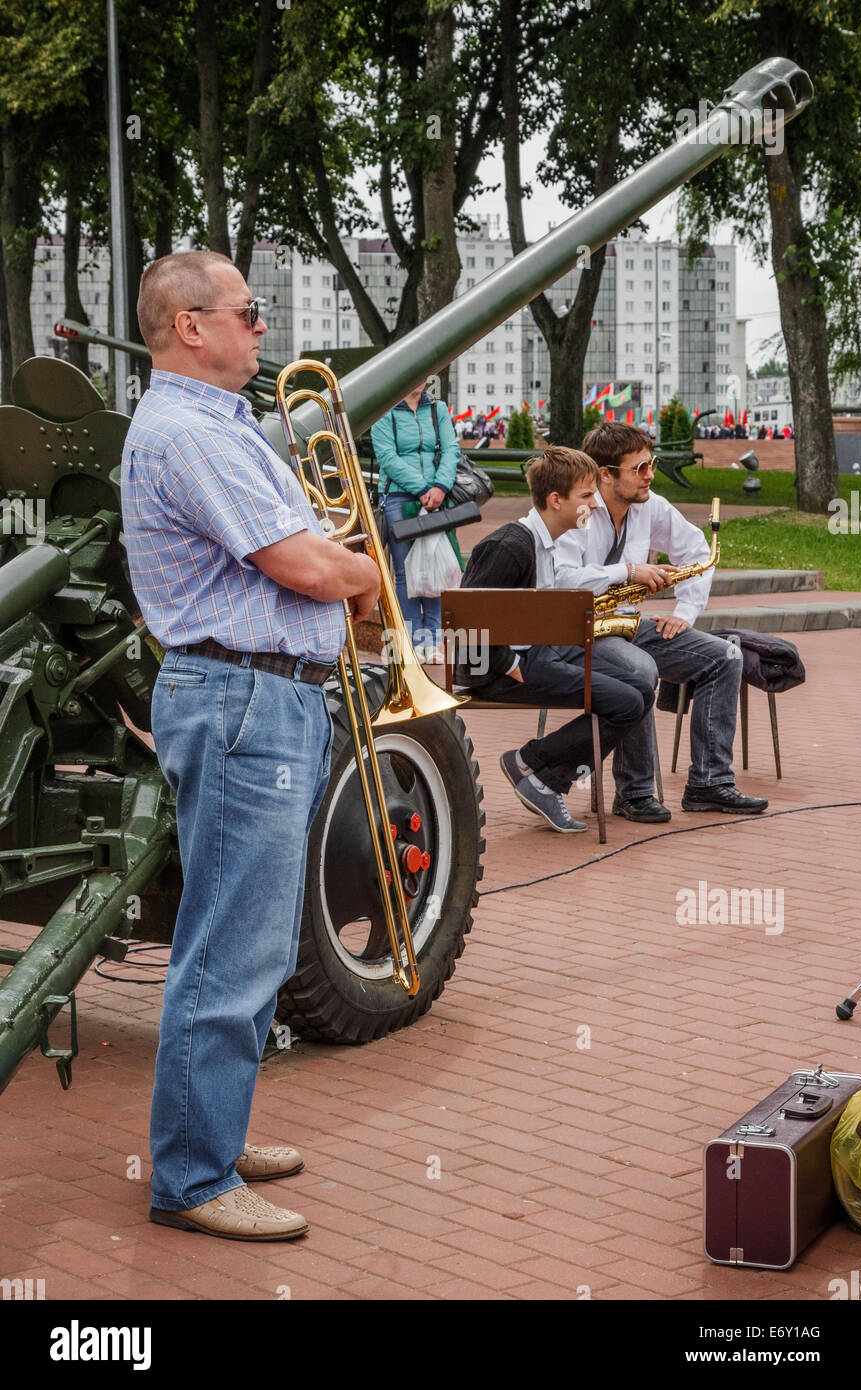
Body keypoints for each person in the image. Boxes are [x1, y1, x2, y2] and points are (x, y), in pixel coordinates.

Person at [121, 250, 381, 1241]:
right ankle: (191, 1176)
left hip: (252, 698)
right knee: (232, 944)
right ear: (189, 325)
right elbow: (302, 564)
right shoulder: (192, 431)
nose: (261, 327)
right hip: (244, 699)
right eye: (247, 312)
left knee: (249, 937)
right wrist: (361, 569)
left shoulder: (206, 424)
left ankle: (209, 1135)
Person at [556, 420, 768, 823]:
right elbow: (562, 578)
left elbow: (696, 549)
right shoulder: (579, 512)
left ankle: (708, 783)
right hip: (580, 633)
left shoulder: (649, 505)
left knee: (727, 656)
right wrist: (628, 571)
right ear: (606, 474)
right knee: (641, 669)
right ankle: (634, 793)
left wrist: (684, 614)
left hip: (627, 625)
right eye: (639, 468)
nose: (650, 474)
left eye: (650, 463)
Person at [457, 446, 654, 833]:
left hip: (541, 652)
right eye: (586, 496)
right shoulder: (509, 546)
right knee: (627, 704)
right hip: (504, 669)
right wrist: (507, 665)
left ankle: (535, 770)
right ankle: (537, 769)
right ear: (555, 500)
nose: (596, 505)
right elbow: (466, 620)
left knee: (642, 689)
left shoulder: (544, 541)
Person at [371, 378, 460, 661]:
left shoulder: (438, 409)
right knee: (406, 572)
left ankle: (432, 641)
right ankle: (410, 639)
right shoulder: (384, 412)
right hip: (399, 497)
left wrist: (440, 487)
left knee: (435, 567)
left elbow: (451, 450)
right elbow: (387, 457)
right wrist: (422, 489)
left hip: (436, 497)